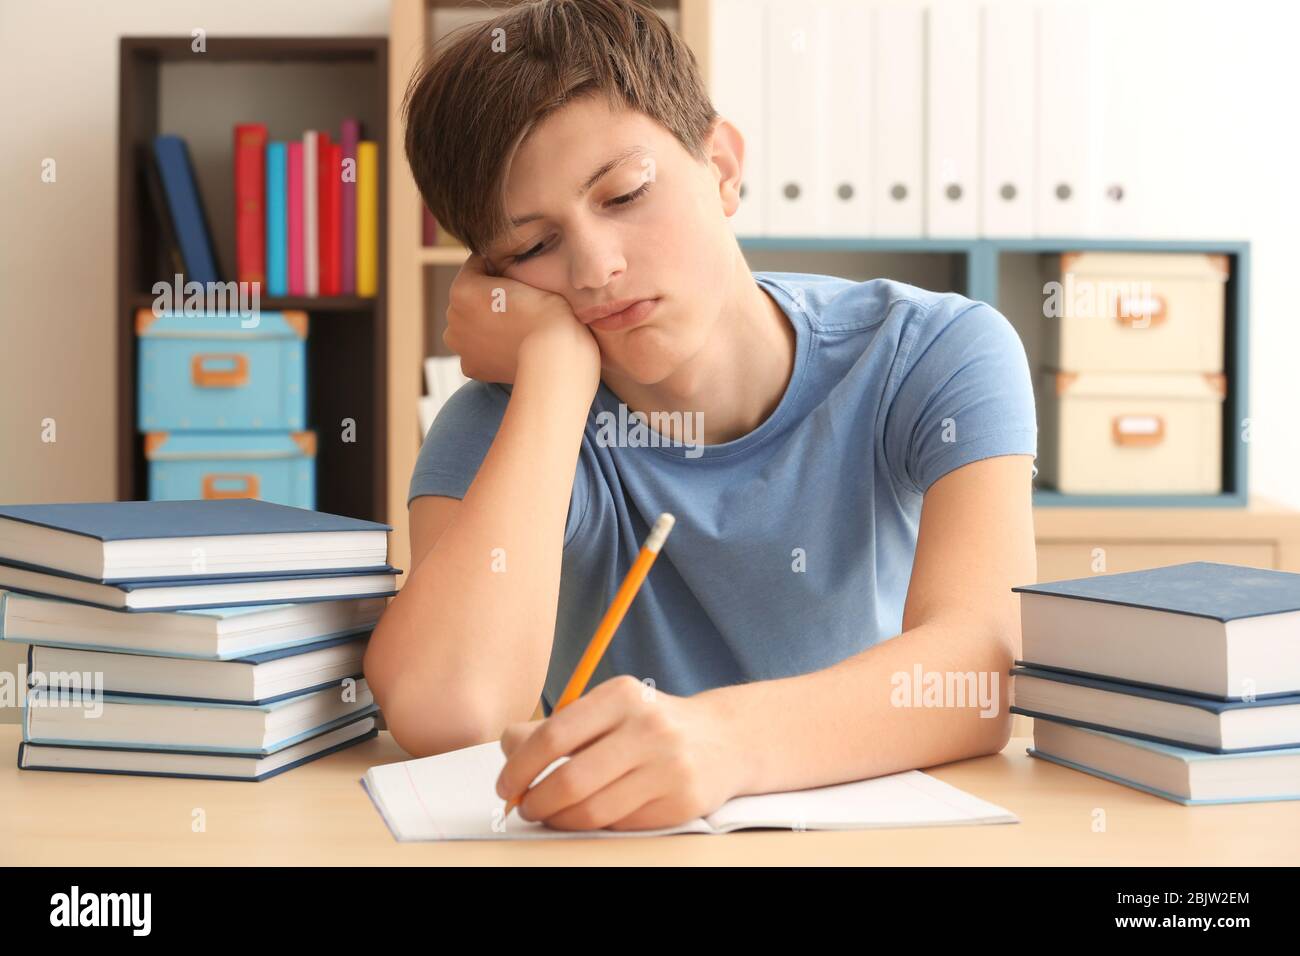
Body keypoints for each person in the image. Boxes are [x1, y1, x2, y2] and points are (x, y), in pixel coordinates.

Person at [364, 0, 1038, 832]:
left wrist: (725, 742)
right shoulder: (506, 423)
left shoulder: (935, 352)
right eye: (534, 248)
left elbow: (981, 665)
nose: (597, 270)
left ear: (721, 165)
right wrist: (553, 371)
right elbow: (451, 713)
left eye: (623, 194)